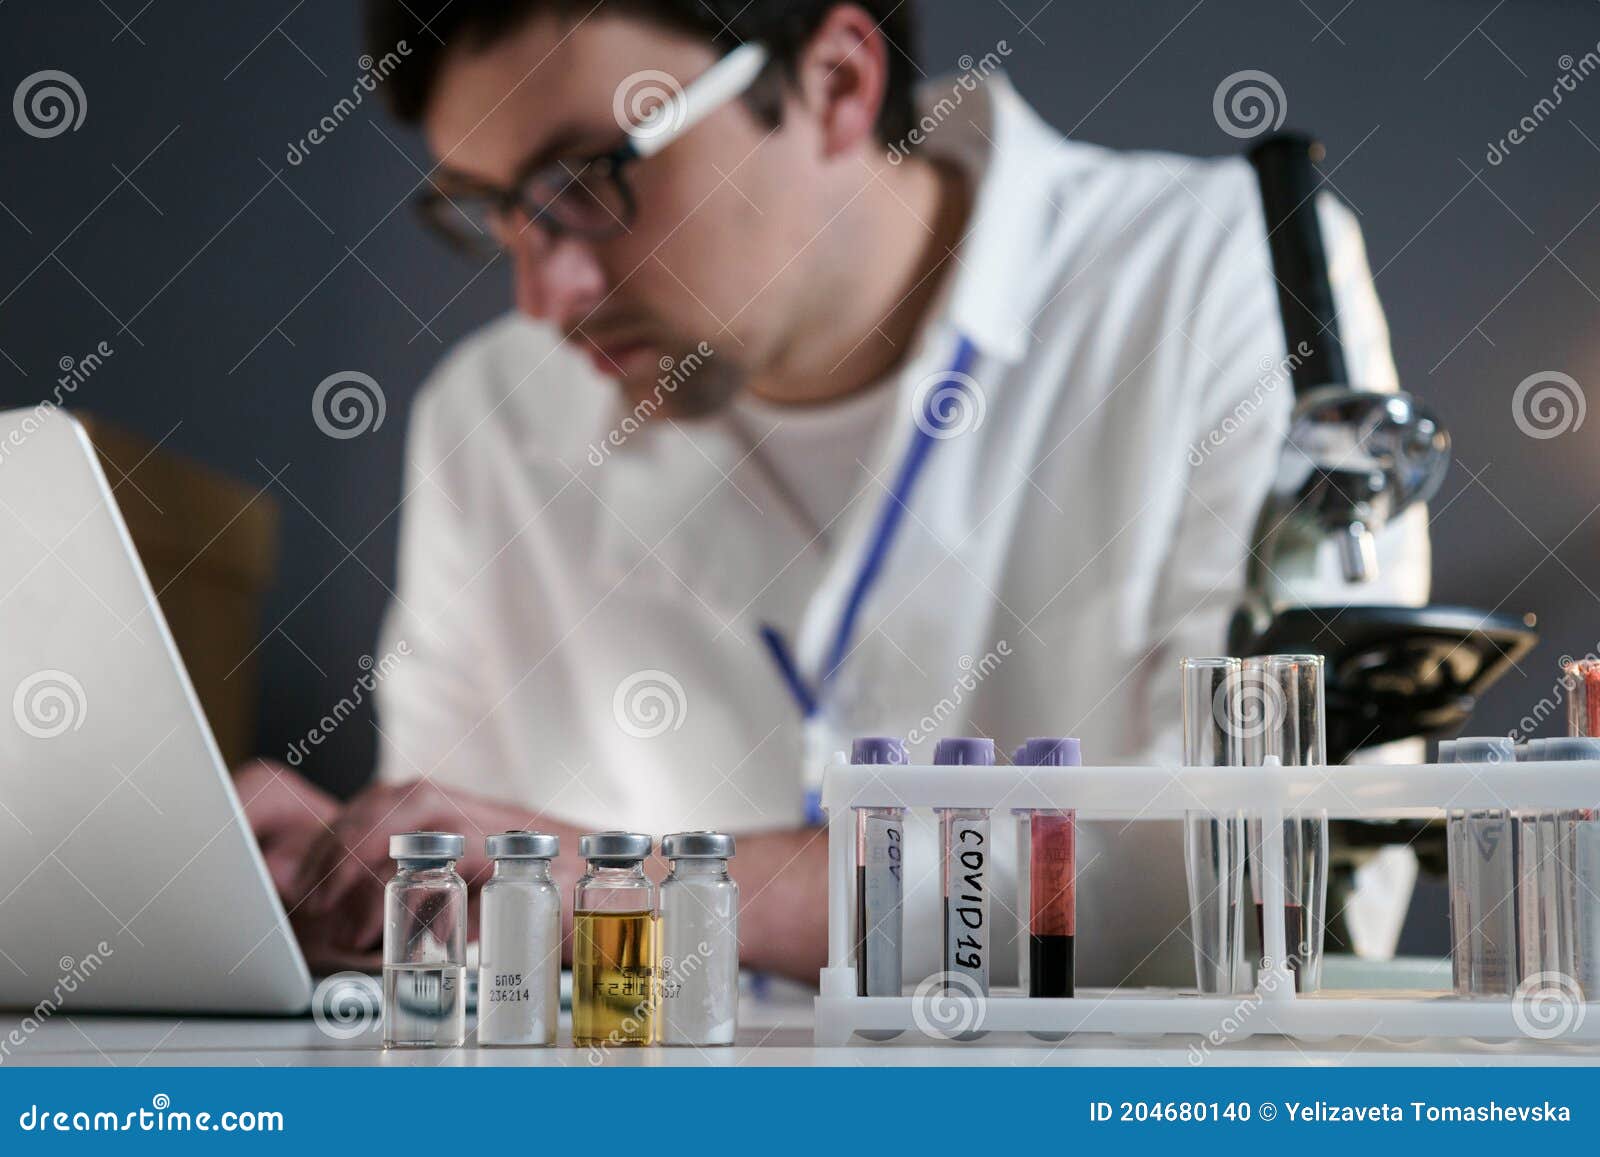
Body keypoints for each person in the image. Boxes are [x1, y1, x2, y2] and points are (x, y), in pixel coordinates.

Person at [242, 0, 1428, 984]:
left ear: (835, 81)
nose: (544, 293)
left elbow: (1257, 893)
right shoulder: (492, 413)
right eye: (488, 209)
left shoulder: (1219, 268)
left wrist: (639, 888)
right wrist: (348, 880)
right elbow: (476, 915)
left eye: (588, 180)